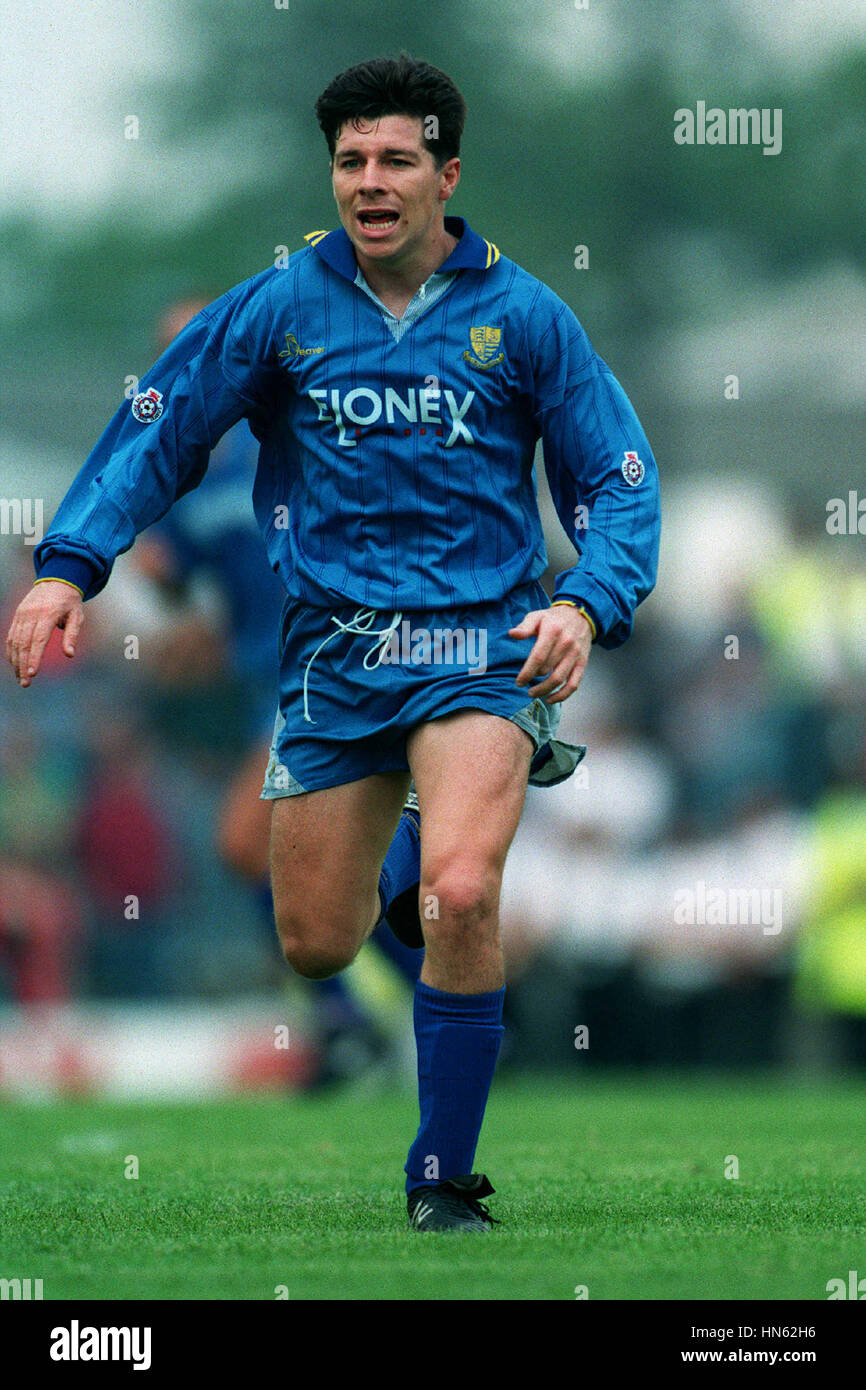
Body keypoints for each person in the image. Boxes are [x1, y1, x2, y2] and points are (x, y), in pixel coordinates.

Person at [6, 55, 660, 1232]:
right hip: (332, 660)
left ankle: (442, 1177)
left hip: (476, 646)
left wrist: (584, 602)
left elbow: (616, 476)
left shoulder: (522, 315)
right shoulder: (276, 309)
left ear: (444, 175)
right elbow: (155, 431)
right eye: (351, 160)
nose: (369, 179)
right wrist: (69, 567)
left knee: (464, 894)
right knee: (316, 943)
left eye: (394, 159)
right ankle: (402, 859)